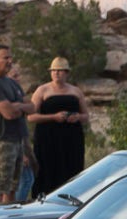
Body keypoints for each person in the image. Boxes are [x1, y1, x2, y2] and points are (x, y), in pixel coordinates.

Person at [0, 45, 33, 206]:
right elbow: (8, 113)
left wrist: (17, 107)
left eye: (10, 58)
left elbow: (32, 106)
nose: (10, 61)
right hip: (2, 141)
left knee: (12, 188)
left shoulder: (12, 83)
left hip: (18, 141)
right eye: (5, 58)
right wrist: (18, 107)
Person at [29, 56, 90, 197]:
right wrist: (53, 117)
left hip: (71, 139)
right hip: (47, 139)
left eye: (60, 70)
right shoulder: (42, 90)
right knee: (47, 170)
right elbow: (31, 116)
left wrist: (77, 117)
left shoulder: (76, 91)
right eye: (54, 70)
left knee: (71, 170)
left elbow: (86, 116)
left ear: (67, 73)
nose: (56, 73)